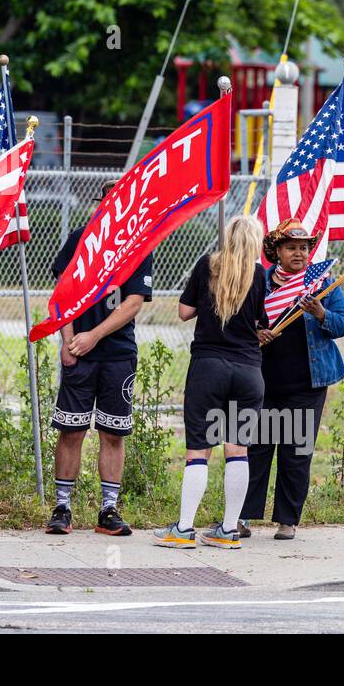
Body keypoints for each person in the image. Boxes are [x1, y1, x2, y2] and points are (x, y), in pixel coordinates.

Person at [46, 180, 152, 537]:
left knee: (112, 433)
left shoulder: (139, 245)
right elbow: (62, 292)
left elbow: (133, 303)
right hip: (79, 350)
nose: (115, 210)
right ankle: (62, 507)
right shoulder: (79, 239)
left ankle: (108, 510)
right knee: (71, 429)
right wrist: (69, 338)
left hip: (117, 353)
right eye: (109, 203)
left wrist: (95, 335)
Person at [154, 215, 266, 551]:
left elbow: (184, 312)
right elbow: (262, 318)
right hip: (249, 371)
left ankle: (184, 528)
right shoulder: (260, 275)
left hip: (209, 366)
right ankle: (229, 530)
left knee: (198, 449)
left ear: (227, 237)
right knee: (238, 449)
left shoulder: (208, 265)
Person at [239, 219, 344, 540]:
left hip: (306, 385)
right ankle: (244, 516)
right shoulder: (260, 281)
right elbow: (242, 319)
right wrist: (256, 332)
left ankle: (287, 520)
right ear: (276, 251)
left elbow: (343, 324)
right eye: (291, 247)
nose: (299, 253)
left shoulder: (323, 283)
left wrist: (320, 313)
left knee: (296, 453)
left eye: (304, 247)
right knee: (255, 449)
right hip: (260, 381)